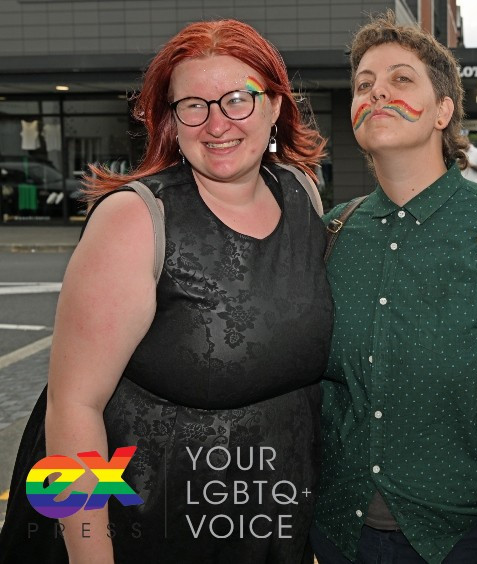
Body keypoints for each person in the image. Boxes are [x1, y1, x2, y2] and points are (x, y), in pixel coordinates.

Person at [0, 19, 332, 563]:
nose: (216, 122)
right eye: (192, 105)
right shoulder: (135, 220)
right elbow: (72, 406)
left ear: (275, 105)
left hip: (272, 518)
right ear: (171, 123)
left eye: (237, 100)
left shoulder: (301, 193)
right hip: (148, 529)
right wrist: (90, 553)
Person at [311, 12, 477, 564]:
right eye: (364, 84)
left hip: (466, 542)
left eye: (401, 79)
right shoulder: (332, 232)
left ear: (444, 111)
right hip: (340, 533)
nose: (376, 91)